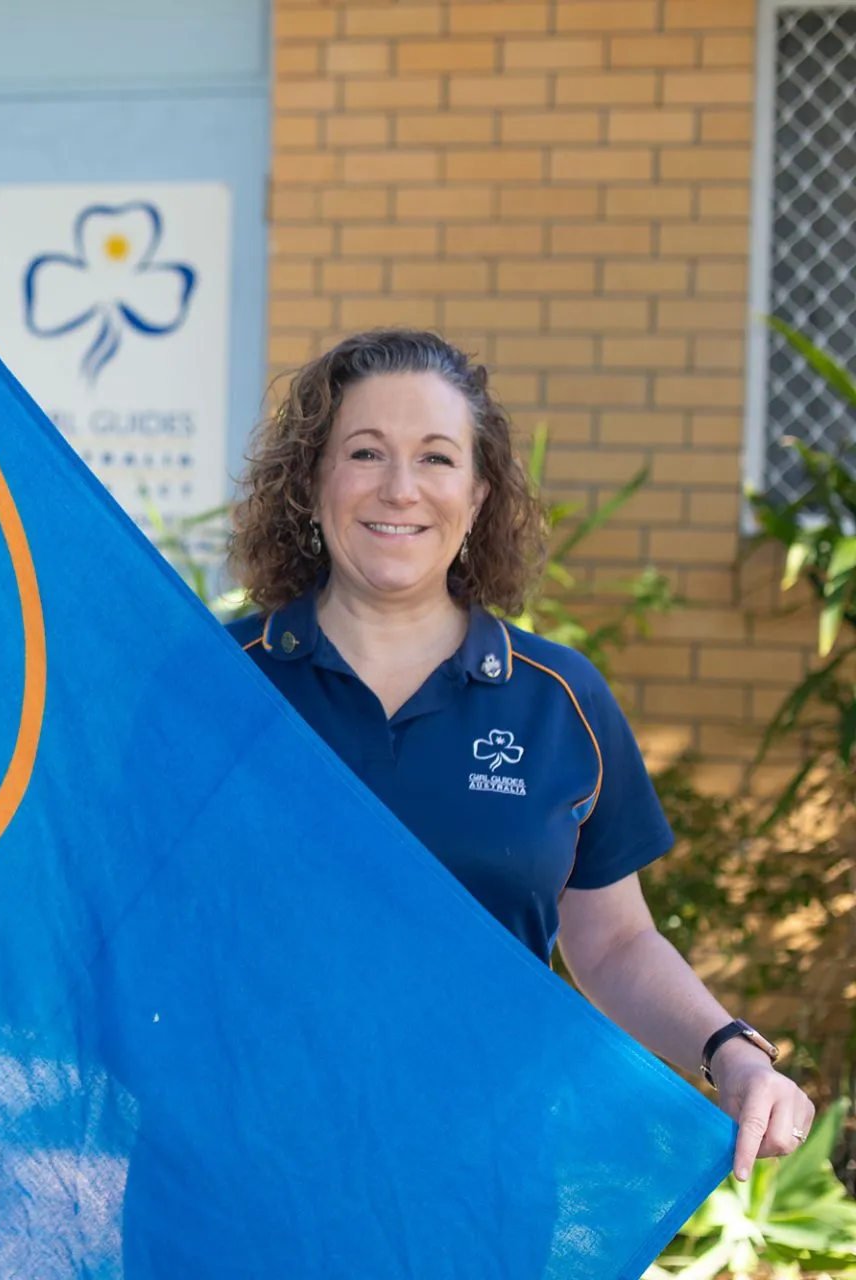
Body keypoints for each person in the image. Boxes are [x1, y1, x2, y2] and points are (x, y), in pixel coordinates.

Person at [224, 328, 813, 1182]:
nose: (399, 489)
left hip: (483, 1181)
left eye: (435, 458)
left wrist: (733, 1053)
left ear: (478, 494)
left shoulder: (558, 701)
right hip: (237, 1168)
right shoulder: (219, 685)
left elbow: (611, 945)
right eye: (364, 452)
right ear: (312, 482)